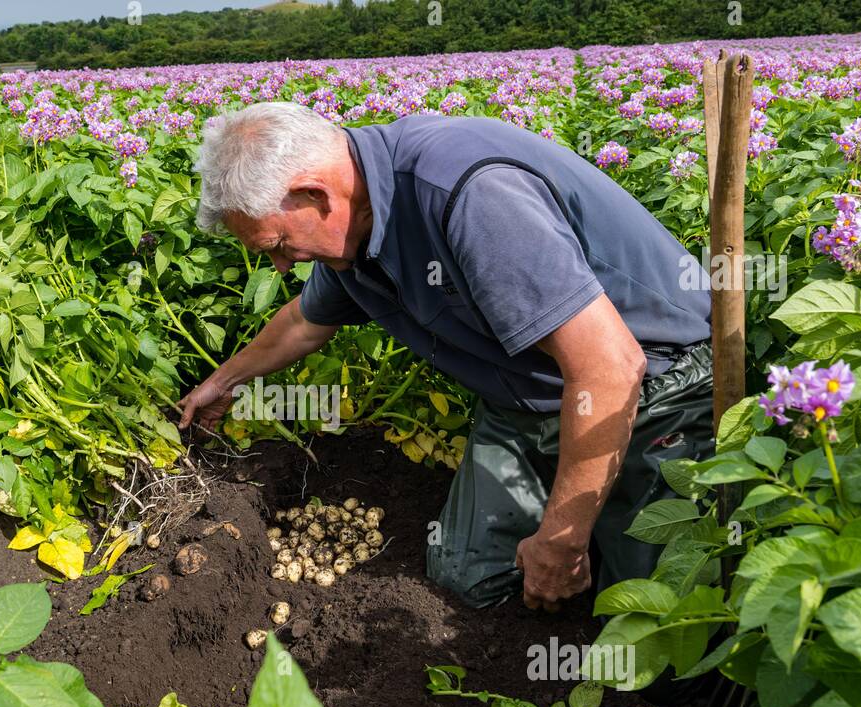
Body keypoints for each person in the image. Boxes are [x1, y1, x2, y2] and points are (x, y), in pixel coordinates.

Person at [177, 102, 714, 613]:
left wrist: (563, 540)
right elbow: (303, 321)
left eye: (276, 245)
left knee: (651, 626)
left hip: (653, 392)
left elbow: (607, 368)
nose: (279, 265)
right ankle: (592, 513)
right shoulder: (356, 222)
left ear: (315, 195)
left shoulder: (472, 196)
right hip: (528, 398)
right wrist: (224, 382)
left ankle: (597, 528)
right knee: (466, 579)